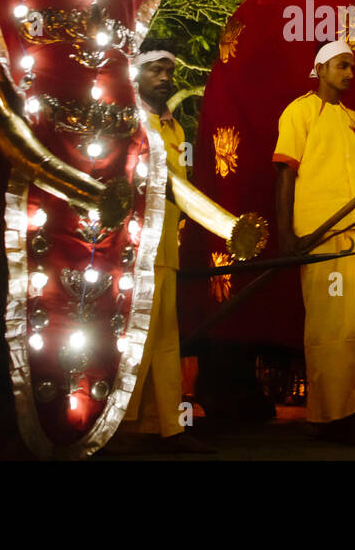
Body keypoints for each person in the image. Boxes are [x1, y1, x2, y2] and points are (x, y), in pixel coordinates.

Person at [273, 40, 355, 445]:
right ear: (321, 69)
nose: (350, 74)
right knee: (329, 325)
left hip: (353, 230)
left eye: (352, 68)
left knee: (354, 324)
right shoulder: (300, 111)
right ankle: (330, 417)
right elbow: (285, 174)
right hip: (317, 234)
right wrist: (288, 234)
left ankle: (348, 412)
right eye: (342, 66)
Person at [121, 44, 215, 453]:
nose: (164, 78)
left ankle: (165, 428)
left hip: (165, 247)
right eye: (155, 70)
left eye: (168, 72)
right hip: (130, 246)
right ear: (136, 75)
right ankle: (116, 427)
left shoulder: (174, 128)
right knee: (130, 335)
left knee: (164, 336)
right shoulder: (127, 119)